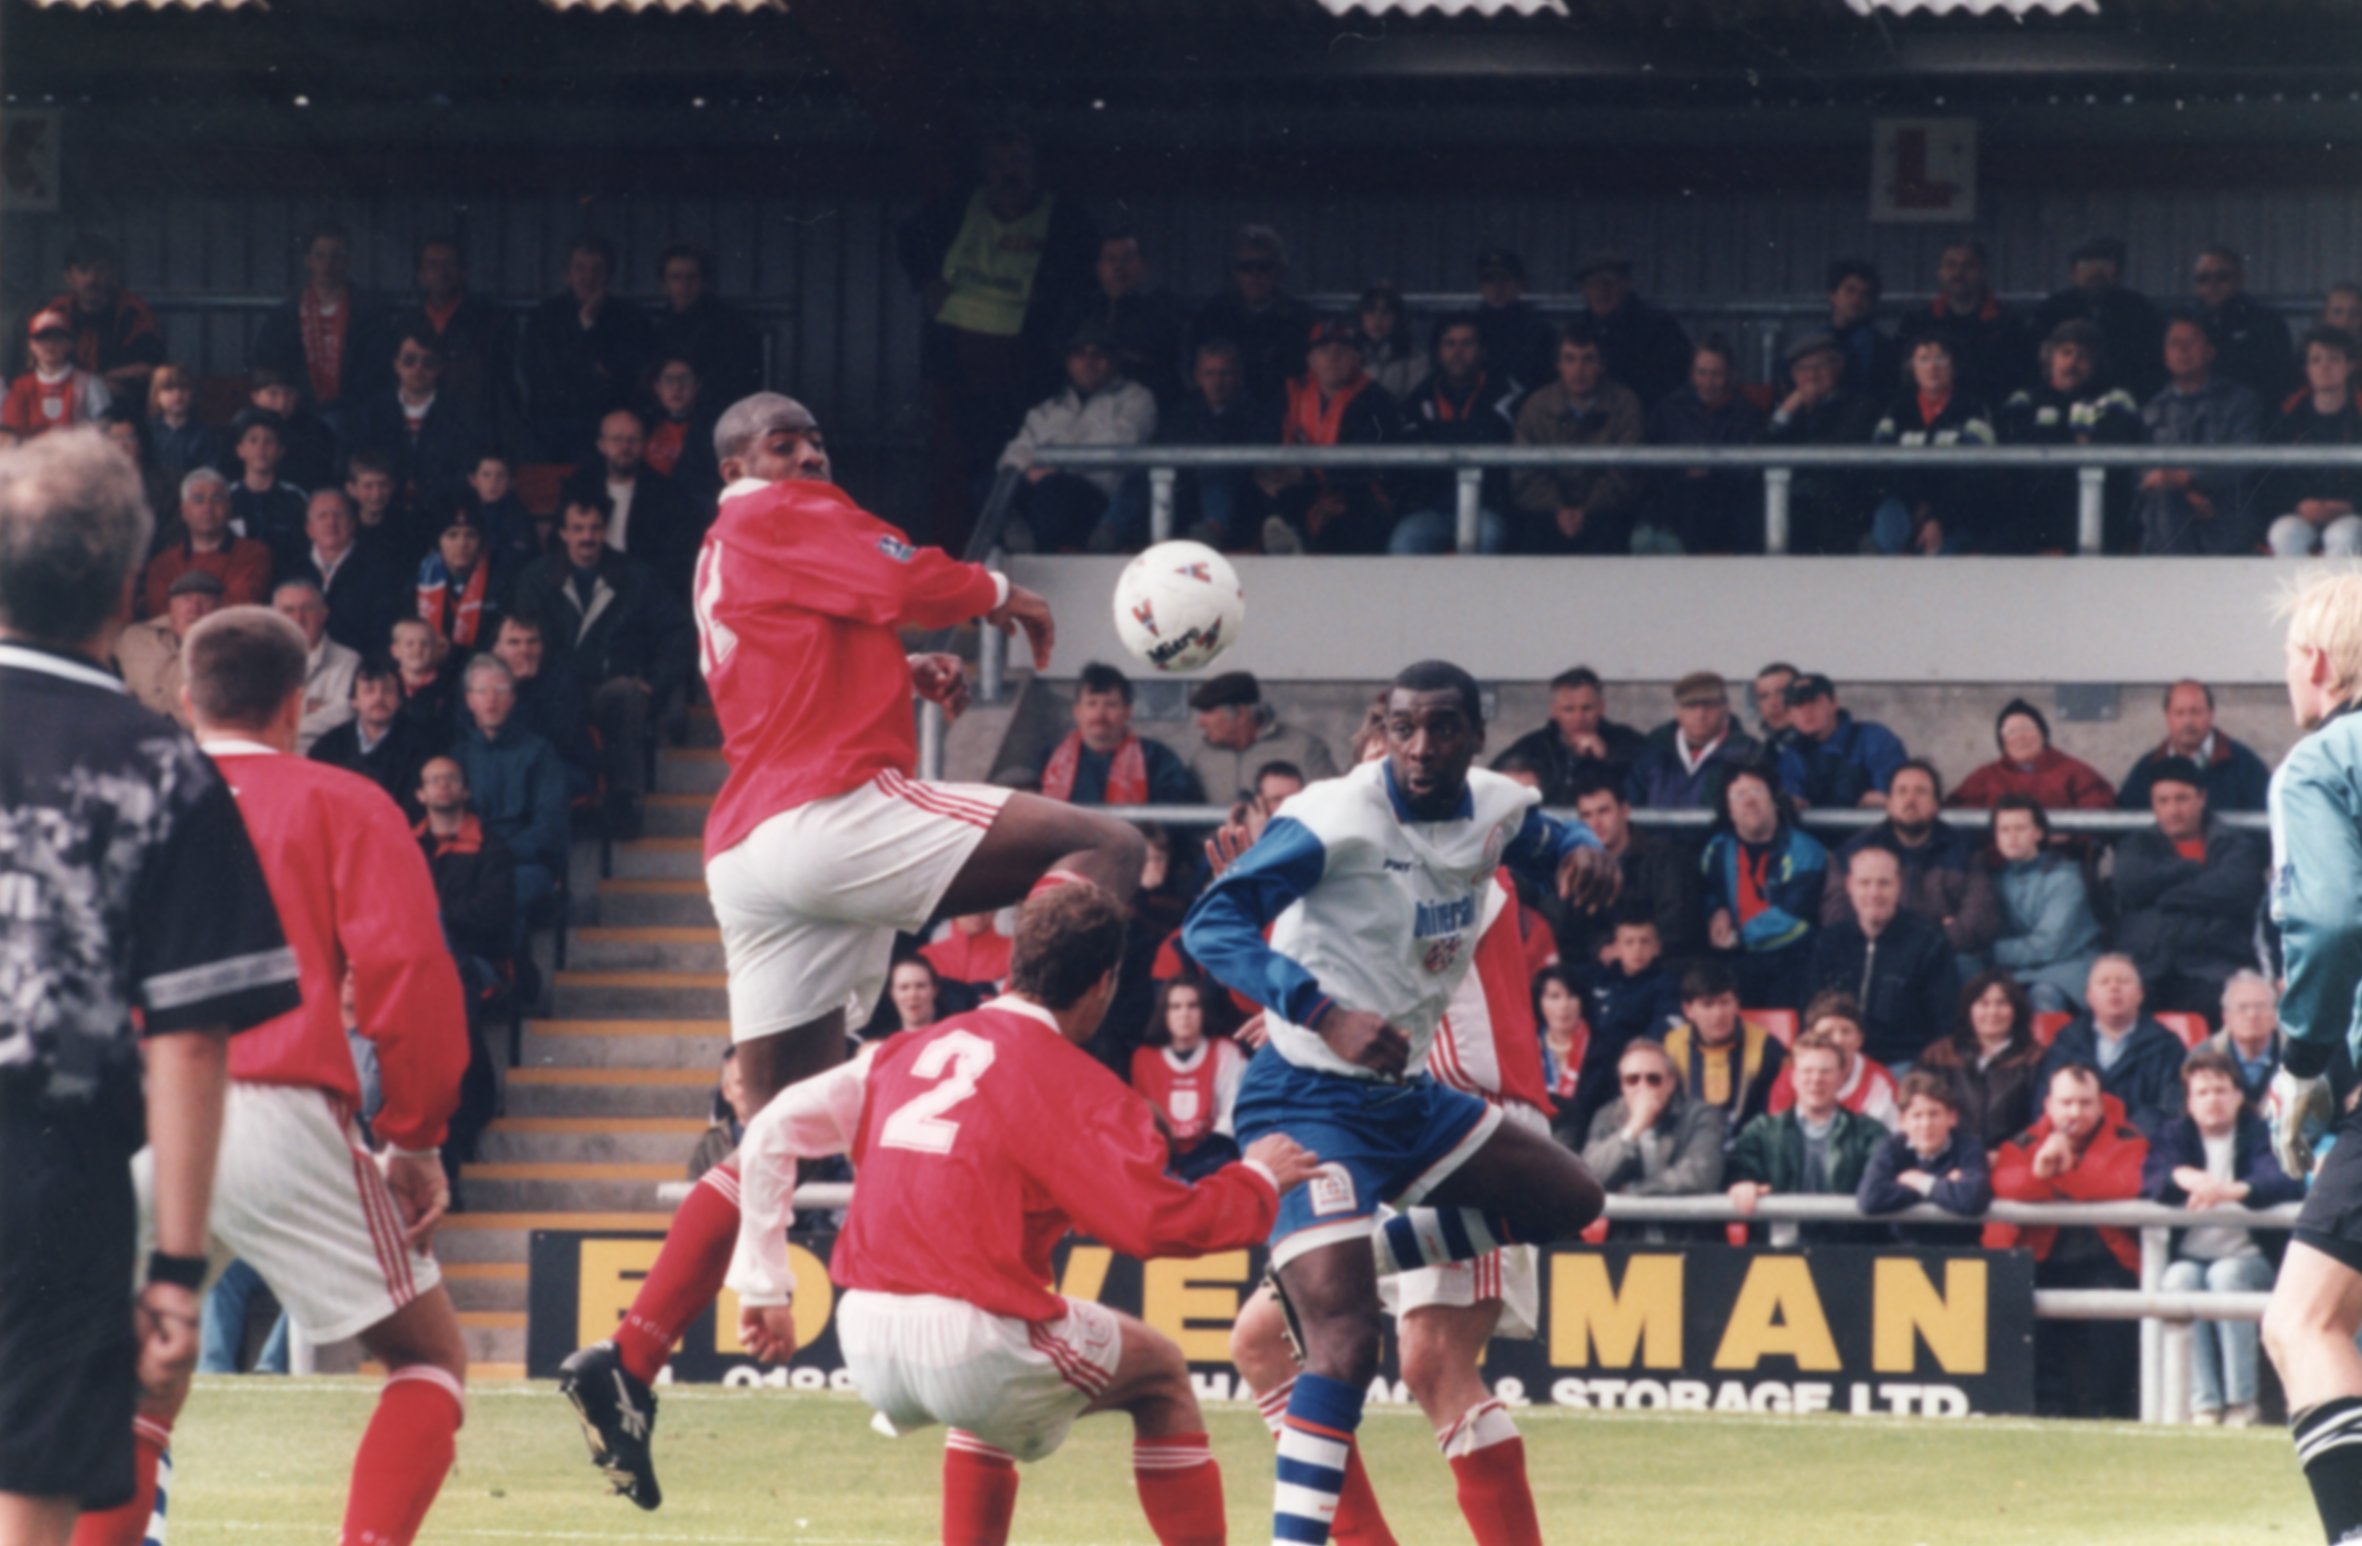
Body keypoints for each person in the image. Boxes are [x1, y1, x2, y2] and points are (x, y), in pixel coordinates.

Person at [558, 392, 1144, 1510]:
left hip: (751, 844)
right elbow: (892, 577)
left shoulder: (732, 546)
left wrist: (892, 672)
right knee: (1105, 843)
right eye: (785, 443)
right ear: (739, 462)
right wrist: (999, 593)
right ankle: (1024, 1055)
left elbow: (806, 644)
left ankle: (628, 1358)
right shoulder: (777, 511)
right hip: (829, 816)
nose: (809, 455)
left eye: (818, 440)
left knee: (773, 1127)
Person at [728, 883, 1313, 1546]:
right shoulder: (1079, 1085)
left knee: (988, 1402)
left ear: (1014, 965)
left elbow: (769, 1128)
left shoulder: (900, 1050)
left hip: (863, 1327)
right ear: (1102, 984)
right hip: (972, 1342)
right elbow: (1156, 1224)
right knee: (1162, 1375)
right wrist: (1260, 1177)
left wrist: (763, 1287)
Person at [1181, 659, 1617, 1546]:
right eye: (1400, 730)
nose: (1416, 750)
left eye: (1440, 729)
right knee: (1328, 1345)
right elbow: (1209, 926)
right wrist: (1320, 1010)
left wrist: (1581, 851)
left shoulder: (1488, 812)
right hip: (1310, 1101)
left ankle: (1349, 1248)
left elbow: (1538, 831)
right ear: (1379, 735)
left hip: (1418, 1105)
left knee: (1562, 1213)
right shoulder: (1333, 818)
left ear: (1474, 737)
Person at [117, 603, 470, 1546]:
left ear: (186, 699)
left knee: (137, 1379)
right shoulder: (345, 801)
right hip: (274, 1105)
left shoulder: (122, 800)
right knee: (425, 1359)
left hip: (128, 1118)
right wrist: (417, 1136)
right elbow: (408, 973)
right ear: (300, 701)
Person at [0, 430, 296, 1545]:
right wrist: (176, 1266)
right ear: (130, 583)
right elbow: (190, 1040)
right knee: (28, 1491)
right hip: (48, 1170)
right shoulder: (159, 763)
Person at [2259, 569, 2362, 1542]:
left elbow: (2328, 925)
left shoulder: (2321, 762)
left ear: (2319, 662)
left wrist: (2302, 1059)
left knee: (2304, 1321)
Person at [900, 129, 1100, 546]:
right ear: (984, 171)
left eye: (1019, 162)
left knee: (1029, 460)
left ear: (1036, 168)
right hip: (962, 372)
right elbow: (908, 235)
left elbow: (1083, 276)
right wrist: (928, 280)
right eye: (999, 163)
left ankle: (1026, 534)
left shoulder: (1062, 217)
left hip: (1029, 371)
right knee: (963, 465)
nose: (1010, 173)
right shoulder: (958, 209)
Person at [507, 494, 697, 839]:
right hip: (552, 690)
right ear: (562, 533)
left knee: (626, 694)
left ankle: (624, 800)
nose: (587, 537)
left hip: (607, 689)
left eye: (595, 528)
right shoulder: (535, 579)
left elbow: (680, 631)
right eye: (577, 529)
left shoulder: (636, 577)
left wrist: (655, 682)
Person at [2146, 1048, 2302, 1427]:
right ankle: (2204, 1404)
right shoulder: (2174, 1134)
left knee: (2226, 1276)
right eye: (2202, 1092)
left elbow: (2282, 1178)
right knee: (2179, 1279)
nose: (2212, 1100)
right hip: (2192, 1257)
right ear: (2188, 1100)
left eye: (2220, 1090)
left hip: (2252, 1260)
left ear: (2237, 1094)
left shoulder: (2260, 1131)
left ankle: (2241, 1403)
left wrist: (2232, 1190)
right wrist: (2181, 1176)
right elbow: (2150, 1179)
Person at [1988, 1063, 2150, 1418]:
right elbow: (2005, 1185)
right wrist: (2045, 1165)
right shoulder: (2023, 1142)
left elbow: (2120, 1185)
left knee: (2113, 1332)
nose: (2075, 1112)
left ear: (2100, 1104)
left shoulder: (2130, 1139)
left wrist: (2049, 1172)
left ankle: (2109, 1414)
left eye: (2085, 1102)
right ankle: (2047, 1411)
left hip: (2109, 1263)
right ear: (2048, 1105)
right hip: (2042, 1262)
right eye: (2066, 1103)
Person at [2113, 758, 2271, 1018]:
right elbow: (2129, 884)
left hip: (2213, 964)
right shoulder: (2136, 844)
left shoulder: (2232, 843)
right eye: (2163, 801)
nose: (2173, 810)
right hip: (2148, 965)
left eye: (2181, 799)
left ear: (2201, 798)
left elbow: (2237, 889)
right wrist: (2190, 870)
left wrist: (2164, 896)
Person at [996, 324, 1157, 554]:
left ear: (1114, 360)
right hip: (1044, 490)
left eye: (1098, 354)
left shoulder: (1136, 398)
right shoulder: (1050, 407)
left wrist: (1055, 464)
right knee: (993, 484)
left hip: (1099, 495)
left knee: (1052, 489)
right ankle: (1016, 532)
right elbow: (1014, 452)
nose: (1089, 362)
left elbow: (1120, 442)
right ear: (1069, 361)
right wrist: (1029, 469)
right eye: (1080, 354)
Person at [1996, 318, 2147, 554]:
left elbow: (2117, 453)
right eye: (2065, 352)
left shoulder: (2117, 399)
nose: (2072, 362)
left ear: (2097, 362)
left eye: (2083, 355)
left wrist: (2052, 439)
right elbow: (2015, 459)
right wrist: (2076, 439)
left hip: (2101, 528)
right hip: (2033, 532)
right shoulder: (2023, 400)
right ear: (2050, 357)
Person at [1825, 760, 2002, 957]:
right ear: (1889, 804)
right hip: (1876, 954)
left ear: (1936, 805)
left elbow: (1979, 921)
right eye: (1901, 791)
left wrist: (1920, 947)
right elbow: (1836, 917)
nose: (1910, 799)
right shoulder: (1854, 851)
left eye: (1921, 791)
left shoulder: (1965, 849)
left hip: (1942, 956)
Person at [1725, 1028, 1887, 1244]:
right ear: (1793, 1077)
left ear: (1841, 1077)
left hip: (1851, 1256)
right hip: (1777, 1260)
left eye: (1825, 1071)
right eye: (1807, 1071)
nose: (1816, 1079)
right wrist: (1742, 1184)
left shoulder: (1870, 1133)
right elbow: (1738, 1172)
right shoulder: (1760, 1131)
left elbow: (1881, 1185)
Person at [1258, 318, 1401, 558]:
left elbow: (1369, 463)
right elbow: (1262, 440)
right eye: (1324, 350)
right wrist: (1263, 471)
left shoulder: (1377, 400)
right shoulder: (1290, 393)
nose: (1333, 357)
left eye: (1342, 350)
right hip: (1296, 492)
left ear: (1357, 358)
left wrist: (1307, 473)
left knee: (1348, 520)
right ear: (1310, 359)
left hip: (1356, 497)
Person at [1809, 845, 1960, 1070]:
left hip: (1902, 1062)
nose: (1874, 893)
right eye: (1865, 883)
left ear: (1899, 885)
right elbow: (1810, 1008)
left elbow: (1943, 1018)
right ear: (1849, 885)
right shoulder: (1829, 941)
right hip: (1836, 1061)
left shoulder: (1928, 941)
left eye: (1883, 883)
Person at [1700, 762, 1827, 1012]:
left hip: (1792, 960)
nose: (1749, 801)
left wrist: (1737, 936)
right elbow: (1706, 891)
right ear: (1729, 810)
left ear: (1774, 800)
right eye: (1738, 795)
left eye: (1757, 791)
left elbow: (1793, 918)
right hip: (1736, 959)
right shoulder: (1715, 850)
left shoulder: (1805, 850)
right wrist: (1715, 910)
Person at [1390, 315, 1521, 556]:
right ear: (1438, 352)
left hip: (1488, 507)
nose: (1458, 352)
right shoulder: (1420, 395)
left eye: (1467, 343)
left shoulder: (1506, 392)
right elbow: (1411, 455)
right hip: (1434, 509)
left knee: (1491, 535)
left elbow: (1497, 441)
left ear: (1482, 350)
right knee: (1405, 539)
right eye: (1449, 344)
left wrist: (1440, 437)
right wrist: (1467, 434)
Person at [1508, 323, 1643, 555]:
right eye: (1570, 359)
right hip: (1548, 514)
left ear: (1602, 365)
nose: (1578, 369)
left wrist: (1586, 510)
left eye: (1588, 359)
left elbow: (1626, 474)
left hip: (1605, 514)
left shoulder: (1625, 404)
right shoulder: (1536, 406)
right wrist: (1558, 508)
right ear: (1558, 365)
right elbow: (1523, 475)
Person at [2138, 313, 2265, 556]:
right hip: (2167, 520)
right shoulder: (2152, 408)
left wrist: (2190, 478)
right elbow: (2141, 472)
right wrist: (2186, 490)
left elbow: (2244, 459)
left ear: (2210, 351)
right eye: (2175, 343)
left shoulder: (2240, 400)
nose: (2183, 350)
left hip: (2224, 511)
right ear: (2165, 354)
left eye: (2191, 342)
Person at [1577, 1038, 1728, 1242]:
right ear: (1622, 1085)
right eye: (1633, 1079)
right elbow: (1590, 1177)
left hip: (1693, 1244)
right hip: (1627, 1246)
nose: (1643, 1087)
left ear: (1670, 1082)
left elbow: (1699, 1177)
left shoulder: (1701, 1115)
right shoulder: (1607, 1117)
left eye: (1653, 1079)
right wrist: (1633, 1129)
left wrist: (1633, 1191)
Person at [521, 235, 655, 463]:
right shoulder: (544, 317)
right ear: (567, 274)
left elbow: (626, 380)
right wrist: (585, 332)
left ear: (609, 274)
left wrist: (588, 329)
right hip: (556, 436)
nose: (588, 277)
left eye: (597, 269)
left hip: (613, 438)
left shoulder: (630, 317)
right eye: (580, 268)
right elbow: (545, 378)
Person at [1868, 335, 1997, 556]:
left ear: (1954, 365)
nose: (1932, 368)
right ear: (1912, 367)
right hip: (1906, 508)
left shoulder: (1973, 409)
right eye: (1924, 359)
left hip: (1956, 514)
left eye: (1940, 359)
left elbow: (1977, 473)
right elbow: (1881, 466)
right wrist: (1917, 505)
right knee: (1887, 519)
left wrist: (1939, 517)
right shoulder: (1897, 409)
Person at [1559, 769, 1703, 966]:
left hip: (1660, 966)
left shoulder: (1663, 857)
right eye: (1587, 815)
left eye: (1604, 811)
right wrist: (1601, 947)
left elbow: (1677, 923)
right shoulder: (1577, 866)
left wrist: (1632, 949)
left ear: (1624, 810)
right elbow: (1571, 931)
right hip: (1602, 968)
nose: (1596, 823)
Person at [1562, 915, 1683, 1140]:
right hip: (1587, 1069)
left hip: (1630, 1071)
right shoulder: (1598, 977)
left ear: (1657, 948)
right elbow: (1555, 979)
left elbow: (1663, 1028)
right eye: (1629, 942)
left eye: (1645, 942)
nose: (1637, 949)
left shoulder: (1666, 983)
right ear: (1615, 948)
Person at [2042, 954, 2190, 1138]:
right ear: (2089, 996)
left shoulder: (2168, 1047)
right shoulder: (2066, 1043)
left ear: (2140, 994)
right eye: (2104, 982)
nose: (2114, 987)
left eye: (2123, 981)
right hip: (2074, 1147)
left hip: (2141, 1148)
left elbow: (2173, 1110)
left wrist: (2123, 1138)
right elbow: (2043, 1104)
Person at [1640, 335, 1764, 555]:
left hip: (1727, 514)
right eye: (1701, 373)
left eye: (1716, 374)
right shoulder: (1669, 410)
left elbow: (1750, 472)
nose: (1707, 383)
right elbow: (1649, 468)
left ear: (1730, 375)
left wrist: (1712, 471)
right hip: (1674, 508)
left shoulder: (1746, 414)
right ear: (1691, 373)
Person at [339, 326, 482, 515]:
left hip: (443, 514)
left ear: (440, 368)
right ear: (396, 364)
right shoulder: (369, 412)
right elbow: (349, 467)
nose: (418, 369)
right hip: (382, 512)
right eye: (409, 360)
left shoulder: (464, 412)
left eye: (428, 362)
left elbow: (469, 471)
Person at [563, 409, 702, 597]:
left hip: (644, 591)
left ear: (644, 444)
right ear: (601, 444)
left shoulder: (667, 493)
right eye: (617, 440)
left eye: (633, 440)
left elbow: (676, 560)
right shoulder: (580, 486)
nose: (625, 447)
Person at [1762, 333, 1879, 554]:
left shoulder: (1860, 405)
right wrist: (1786, 412)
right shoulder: (1787, 409)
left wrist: (1813, 413)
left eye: (1821, 366)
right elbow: (1762, 451)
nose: (1812, 375)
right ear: (1792, 375)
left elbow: (1833, 453)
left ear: (1839, 366)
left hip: (1843, 506)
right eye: (1803, 368)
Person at [388, 236, 516, 437]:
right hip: (421, 420)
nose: (441, 272)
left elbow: (502, 384)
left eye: (449, 264)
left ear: (465, 272)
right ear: (420, 275)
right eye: (432, 265)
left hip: (475, 423)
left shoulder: (491, 320)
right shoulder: (406, 322)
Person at [1181, 224, 1314, 417]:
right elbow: (1192, 371)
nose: (1255, 275)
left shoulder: (1300, 317)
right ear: (1235, 273)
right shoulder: (1212, 314)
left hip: (1283, 415)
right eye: (1246, 267)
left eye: (1264, 267)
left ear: (1280, 272)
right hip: (1222, 413)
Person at [250, 222, 382, 415]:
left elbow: (375, 373)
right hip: (298, 415)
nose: (327, 264)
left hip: (353, 415)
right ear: (308, 260)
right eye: (320, 255)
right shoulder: (285, 315)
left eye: (336, 256)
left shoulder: (369, 313)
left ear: (348, 261)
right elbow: (268, 369)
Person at [1986, 796, 2104, 1013]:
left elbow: (2049, 945)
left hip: (2069, 969)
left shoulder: (2065, 878)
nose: (2012, 837)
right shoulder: (1997, 879)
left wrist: (1988, 951)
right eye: (2004, 830)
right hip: (2018, 970)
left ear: (2038, 833)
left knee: (2043, 995)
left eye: (2020, 828)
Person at [1159, 340, 1277, 550]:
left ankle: (1214, 528)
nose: (1217, 381)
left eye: (1225, 373)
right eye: (1210, 373)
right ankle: (1110, 529)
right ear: (1197, 377)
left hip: (1239, 495)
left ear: (1238, 377)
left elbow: (1256, 452)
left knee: (1217, 464)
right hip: (1186, 489)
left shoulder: (1255, 411)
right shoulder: (1183, 410)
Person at [1036, 660, 1201, 807]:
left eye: (1111, 705)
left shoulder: (1157, 759)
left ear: (1127, 711)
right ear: (1077, 711)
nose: (1100, 714)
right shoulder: (1048, 758)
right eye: (1091, 704)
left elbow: (1177, 815)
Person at [1896, 237, 2036, 409]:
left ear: (1984, 272)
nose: (1958, 273)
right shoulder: (1918, 322)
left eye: (1968, 265)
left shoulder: (2008, 323)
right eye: (1950, 265)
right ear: (1940, 272)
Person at [1053, 228, 1185, 409]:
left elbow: (1162, 362)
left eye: (1128, 258)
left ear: (1143, 265)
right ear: (1099, 267)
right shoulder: (1080, 308)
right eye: (1111, 259)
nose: (1119, 267)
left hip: (1142, 401)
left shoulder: (1161, 309)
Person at [1855, 1072, 1993, 1244]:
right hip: (1902, 1254)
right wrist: (1943, 1185)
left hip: (1960, 1252)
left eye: (1934, 1114)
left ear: (1952, 1117)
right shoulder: (1892, 1147)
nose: (1926, 1124)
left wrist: (1920, 1181)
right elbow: (1870, 1198)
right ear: (1902, 1121)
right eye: (1917, 1115)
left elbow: (1974, 1198)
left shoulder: (1969, 1146)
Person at [1131, 976, 1247, 1181]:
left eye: (1192, 1006)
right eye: (1175, 1007)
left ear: (1204, 1011)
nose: (1184, 1014)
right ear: (1164, 1013)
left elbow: (1230, 1118)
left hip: (1213, 1158)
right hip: (1163, 1159)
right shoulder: (1144, 1059)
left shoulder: (1225, 1051)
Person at [1914, 972, 2048, 1148]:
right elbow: (1916, 1112)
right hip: (1948, 1157)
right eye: (1983, 1003)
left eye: (2002, 1003)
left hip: (2011, 1161)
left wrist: (2008, 1153)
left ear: (2016, 1010)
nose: (1992, 1012)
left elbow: (2042, 1121)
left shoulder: (2035, 1058)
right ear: (1968, 1009)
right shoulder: (1938, 1055)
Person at [2262, 325, 2362, 558]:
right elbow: (2269, 478)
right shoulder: (2287, 415)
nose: (2324, 367)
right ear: (2306, 368)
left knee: (2345, 534)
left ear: (2351, 365)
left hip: (2352, 514)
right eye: (2315, 360)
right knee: (2284, 533)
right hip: (2301, 512)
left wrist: (2351, 505)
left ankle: (2340, 596)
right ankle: (2295, 596)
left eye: (2334, 359)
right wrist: (2299, 504)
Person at [2032, 236, 2167, 402]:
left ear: (2118, 273)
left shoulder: (2140, 310)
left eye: (2104, 266)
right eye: (2087, 266)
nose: (2096, 273)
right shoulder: (2051, 310)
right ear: (2073, 273)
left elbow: (2151, 367)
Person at [1659, 959, 1786, 1136]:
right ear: (1688, 1011)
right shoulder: (1670, 1047)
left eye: (1725, 1002)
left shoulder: (1766, 1047)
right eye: (1707, 1005)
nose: (1718, 1014)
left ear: (1737, 1004)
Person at [1495, 665, 1650, 808]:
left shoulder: (1626, 741)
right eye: (1569, 710)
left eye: (1586, 708)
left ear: (1601, 707)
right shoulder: (1532, 748)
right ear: (1554, 711)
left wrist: (1608, 757)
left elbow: (1651, 779)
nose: (1579, 718)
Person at [1184, 669, 1339, 807]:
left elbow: (1331, 804)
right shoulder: (1202, 758)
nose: (1200, 723)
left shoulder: (1303, 748)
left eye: (1208, 712)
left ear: (1240, 713)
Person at [2119, 679, 2274, 814]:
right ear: (2167, 717)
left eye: (2196, 712)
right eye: (2179, 713)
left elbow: (2266, 828)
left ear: (2211, 713)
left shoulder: (2245, 766)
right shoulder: (2147, 769)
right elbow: (2125, 829)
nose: (2188, 722)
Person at [1949, 697, 2118, 819]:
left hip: (2058, 860)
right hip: (1997, 863)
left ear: (2043, 735)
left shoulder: (2074, 771)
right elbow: (1958, 813)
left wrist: (2069, 836)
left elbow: (2100, 809)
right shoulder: (1984, 777)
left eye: (2027, 728)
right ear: (2002, 742)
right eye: (2011, 731)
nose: (2020, 737)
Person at [310, 655, 435, 819]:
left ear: (399, 701)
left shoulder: (420, 746)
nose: (379, 698)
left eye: (388, 690)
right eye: (369, 690)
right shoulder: (327, 747)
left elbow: (416, 808)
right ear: (354, 701)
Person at [141, 467, 272, 619]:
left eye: (216, 499)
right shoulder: (162, 564)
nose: (207, 508)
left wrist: (187, 611)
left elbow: (242, 608)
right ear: (183, 511)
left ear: (229, 508)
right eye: (198, 500)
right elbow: (161, 614)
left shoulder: (254, 554)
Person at [1766, 990, 1902, 1131]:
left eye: (1846, 1031)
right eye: (1827, 1033)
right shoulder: (1791, 1078)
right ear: (1811, 1037)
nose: (1838, 1040)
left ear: (1860, 1039)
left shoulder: (1878, 1081)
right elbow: (1778, 1136)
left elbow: (1888, 1138)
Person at [49, 233, 164, 401]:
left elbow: (148, 367)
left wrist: (98, 385)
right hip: (66, 398)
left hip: (122, 403)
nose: (92, 279)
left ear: (112, 274)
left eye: (100, 269)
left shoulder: (133, 311)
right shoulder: (56, 312)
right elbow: (40, 362)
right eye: (83, 270)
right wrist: (94, 384)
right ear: (68, 277)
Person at [290, 488, 402, 657]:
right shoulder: (291, 570)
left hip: (359, 669)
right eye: (322, 516)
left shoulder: (381, 570)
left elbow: (384, 633)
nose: (331, 523)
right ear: (309, 529)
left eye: (339, 515)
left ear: (352, 524)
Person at [651, 241, 763, 410]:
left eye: (691, 277)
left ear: (704, 282)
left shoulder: (732, 326)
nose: (684, 286)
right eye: (675, 278)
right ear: (664, 285)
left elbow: (737, 387)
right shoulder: (658, 330)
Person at [1574, 251, 1692, 411]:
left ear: (1626, 284)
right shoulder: (1578, 329)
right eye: (1592, 284)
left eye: (1608, 283)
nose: (1600, 291)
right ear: (1584, 290)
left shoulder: (1658, 326)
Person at [1771, 672, 1906, 810]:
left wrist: (1885, 800)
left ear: (1834, 702)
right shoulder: (1790, 755)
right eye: (1798, 704)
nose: (1807, 711)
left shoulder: (1875, 739)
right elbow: (1790, 799)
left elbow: (1900, 797)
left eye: (1814, 701)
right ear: (1789, 715)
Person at [1628, 670, 1760, 810]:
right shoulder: (1651, 752)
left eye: (1709, 705)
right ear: (1677, 711)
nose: (1700, 714)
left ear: (1726, 708)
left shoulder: (1748, 753)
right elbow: (1630, 803)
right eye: (1691, 705)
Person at [115, 568, 221, 726]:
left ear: (218, 608)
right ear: (171, 605)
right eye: (186, 599)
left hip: (194, 738)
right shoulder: (134, 638)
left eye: (204, 600)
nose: (194, 608)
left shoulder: (229, 649)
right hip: (135, 732)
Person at [2190, 244, 2294, 402]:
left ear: (2239, 278)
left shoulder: (2266, 321)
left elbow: (2280, 381)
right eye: (2203, 278)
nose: (2212, 285)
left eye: (2222, 277)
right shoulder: (2187, 324)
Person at [273, 577, 358, 754]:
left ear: (323, 614)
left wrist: (283, 729)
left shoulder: (348, 660)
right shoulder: (255, 660)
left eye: (308, 609)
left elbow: (345, 713)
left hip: (323, 758)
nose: (298, 618)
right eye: (289, 610)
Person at [3, 306, 113, 439]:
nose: (50, 345)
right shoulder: (20, 387)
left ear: (70, 344)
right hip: (30, 457)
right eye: (42, 338)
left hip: (79, 457)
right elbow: (8, 435)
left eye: (57, 338)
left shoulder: (91, 383)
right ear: (31, 345)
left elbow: (106, 432)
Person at [412, 503, 504, 659]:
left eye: (470, 535)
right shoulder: (417, 582)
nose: (462, 544)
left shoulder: (501, 581)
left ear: (481, 542)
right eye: (452, 535)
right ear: (438, 542)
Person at [224, 408, 310, 566]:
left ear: (281, 451)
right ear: (240, 450)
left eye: (269, 441)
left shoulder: (296, 498)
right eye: (253, 440)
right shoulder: (225, 497)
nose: (261, 448)